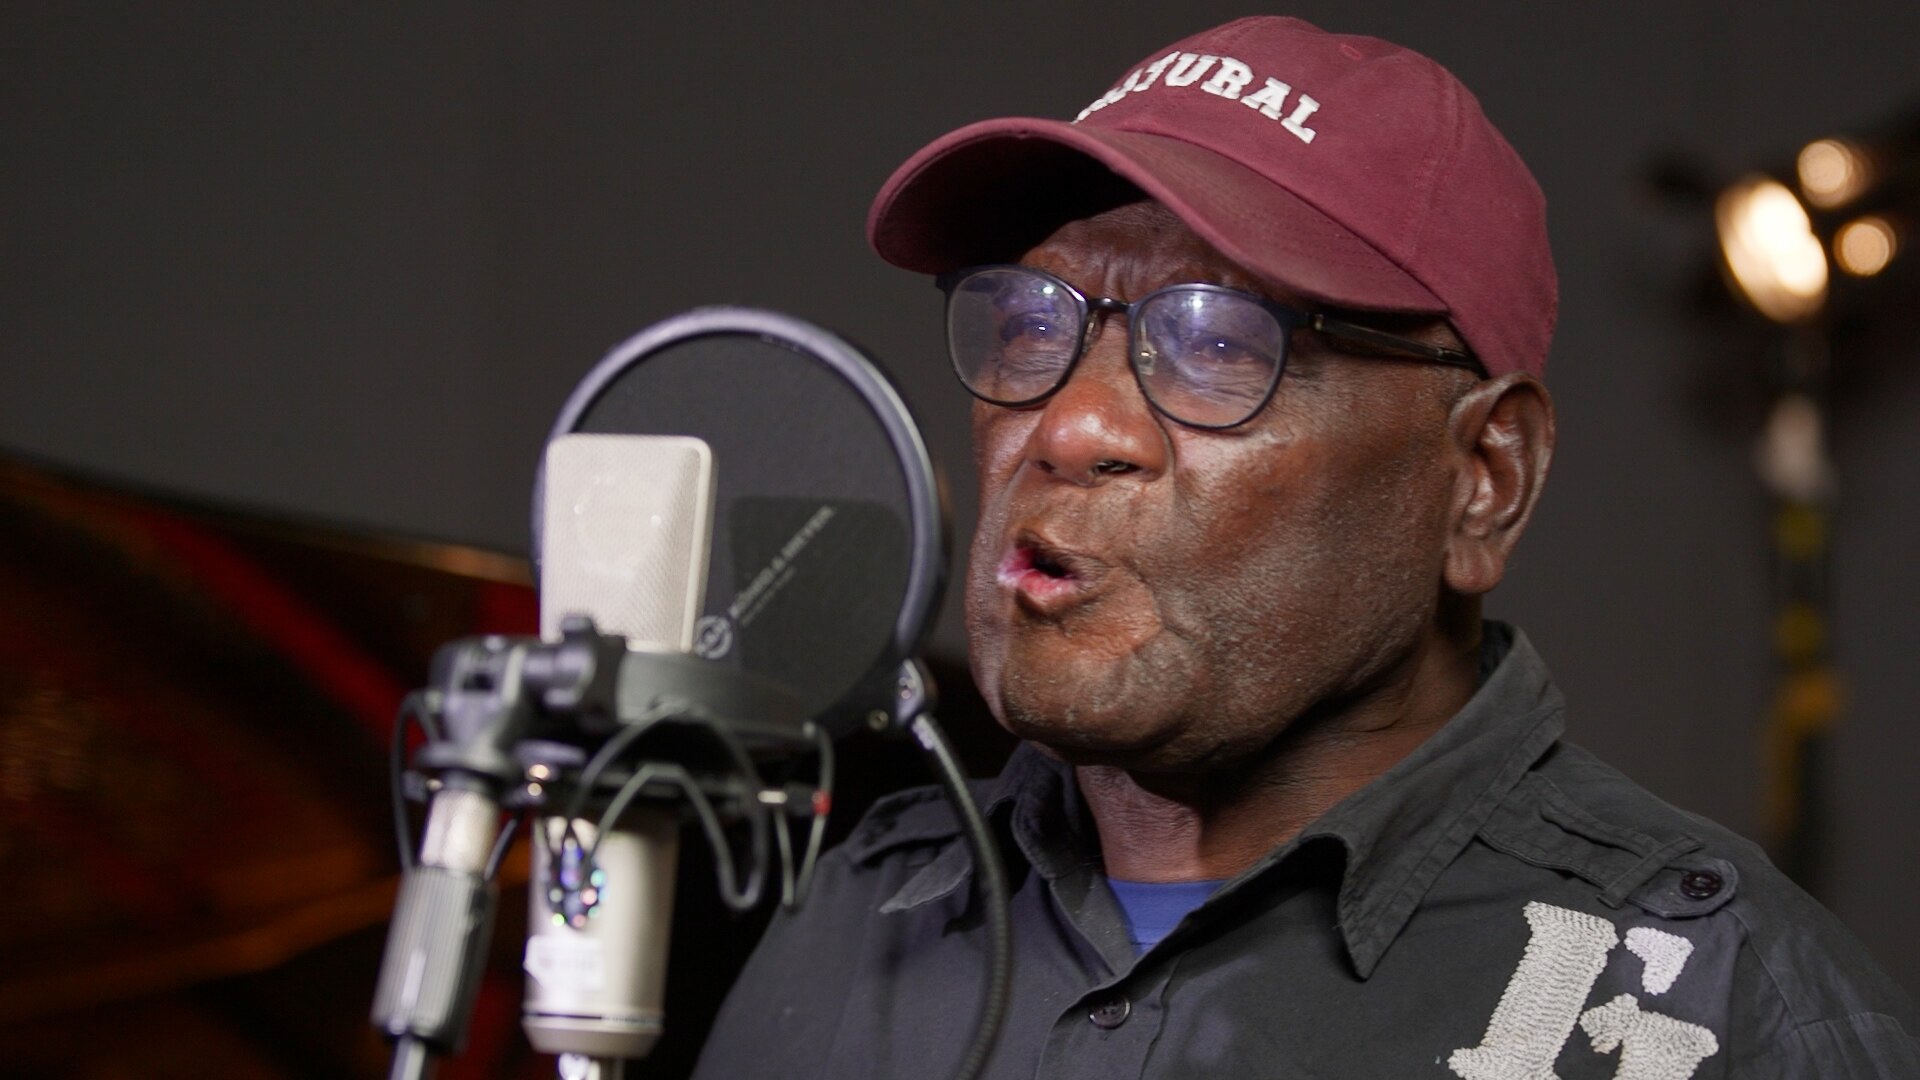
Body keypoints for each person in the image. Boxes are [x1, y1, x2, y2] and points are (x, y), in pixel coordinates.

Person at [692, 16, 1918, 1079]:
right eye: (1029, 322)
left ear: (1485, 480)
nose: (1070, 425)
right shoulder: (858, 916)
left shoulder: (1714, 1014)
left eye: (1220, 342)